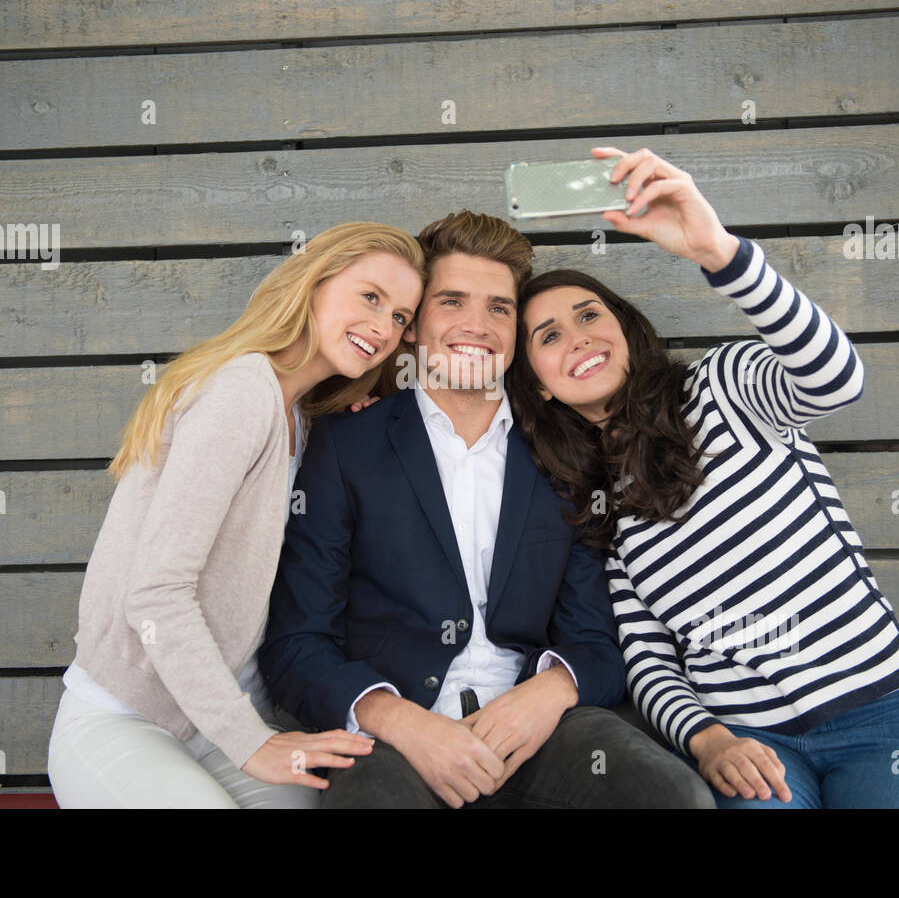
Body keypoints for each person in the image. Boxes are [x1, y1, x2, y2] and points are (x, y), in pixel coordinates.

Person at [505, 145, 899, 809]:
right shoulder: (600, 507)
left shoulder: (722, 387)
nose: (575, 337)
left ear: (626, 329)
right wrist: (706, 739)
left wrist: (717, 250)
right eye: (546, 336)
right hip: (750, 744)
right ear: (540, 387)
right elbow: (650, 661)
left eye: (587, 314)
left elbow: (837, 379)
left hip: (882, 713)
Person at [258, 209, 716, 808]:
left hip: (536, 730)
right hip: (395, 735)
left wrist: (551, 692)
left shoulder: (565, 451)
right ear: (414, 325)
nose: (477, 325)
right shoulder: (347, 445)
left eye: (498, 308)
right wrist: (396, 719)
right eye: (452, 301)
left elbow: (598, 642)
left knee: (671, 796)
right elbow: (296, 643)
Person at [46, 222, 425, 807]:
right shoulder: (242, 390)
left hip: (222, 720)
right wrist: (250, 742)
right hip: (126, 717)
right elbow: (155, 594)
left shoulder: (301, 415)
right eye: (370, 296)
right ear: (313, 284)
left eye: (401, 317)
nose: (383, 327)